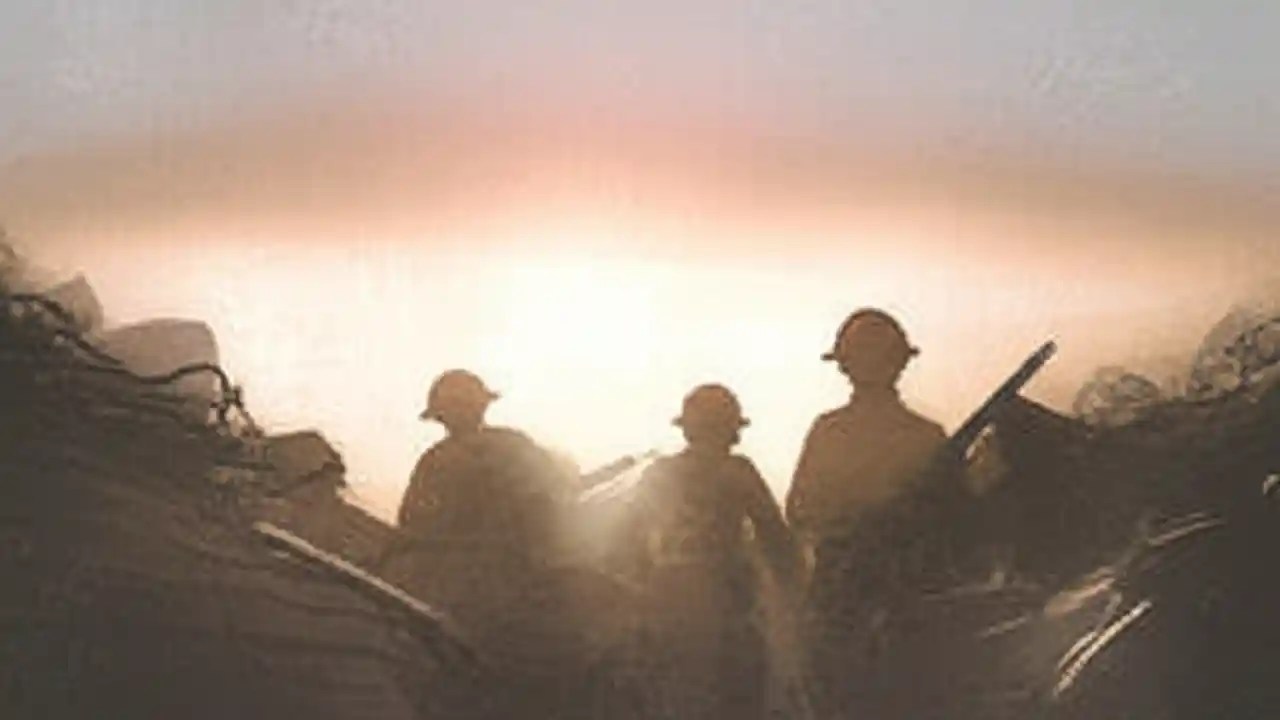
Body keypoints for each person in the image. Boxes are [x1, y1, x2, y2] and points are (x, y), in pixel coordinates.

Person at [785, 309, 969, 718]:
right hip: (884, 600)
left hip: (870, 600)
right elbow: (960, 523)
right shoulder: (925, 436)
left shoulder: (830, 431)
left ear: (844, 366)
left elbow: (799, 511)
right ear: (901, 362)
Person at [388, 369, 587, 717]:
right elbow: (557, 502)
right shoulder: (511, 447)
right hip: (510, 588)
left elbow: (412, 530)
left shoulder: (438, 461)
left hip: (471, 594)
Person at [632, 383, 801, 720]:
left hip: (670, 602)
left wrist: (641, 594)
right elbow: (775, 538)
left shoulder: (660, 473)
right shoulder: (738, 471)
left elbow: (628, 540)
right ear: (730, 430)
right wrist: (794, 590)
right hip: (728, 602)